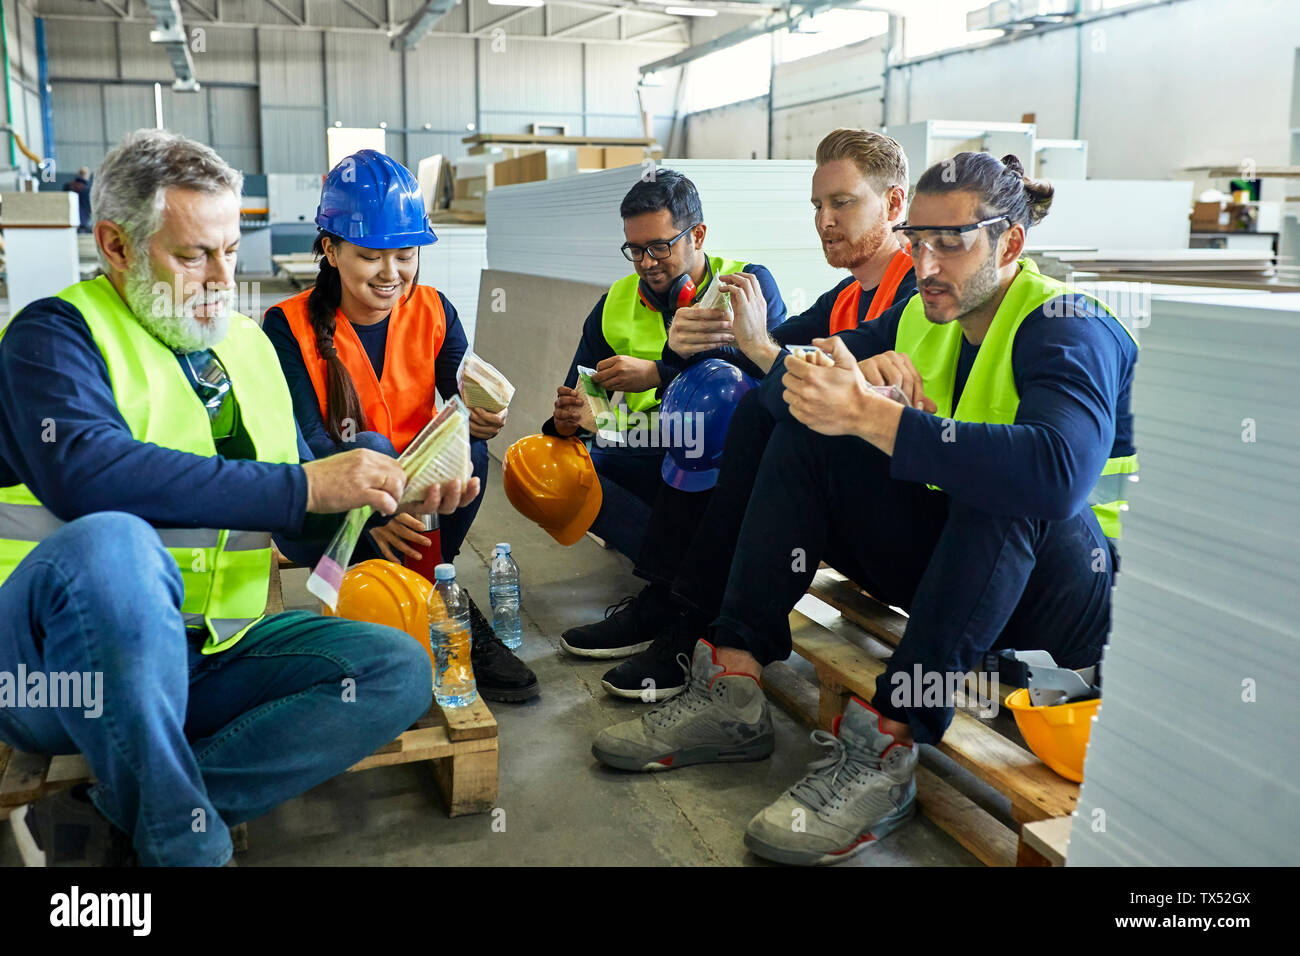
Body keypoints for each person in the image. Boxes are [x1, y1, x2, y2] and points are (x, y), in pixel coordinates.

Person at [590, 151, 1138, 866]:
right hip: (959, 575)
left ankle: (889, 741)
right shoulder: (922, 311)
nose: (928, 263)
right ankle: (731, 675)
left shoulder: (1067, 324)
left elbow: (1057, 476)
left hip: (1060, 611)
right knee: (793, 418)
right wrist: (754, 356)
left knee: (1004, 488)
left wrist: (879, 421)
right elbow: (804, 366)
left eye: (953, 242)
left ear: (1009, 243)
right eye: (918, 241)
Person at [0, 129, 479, 866]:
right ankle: (185, 847)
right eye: (192, 256)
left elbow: (300, 525)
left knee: (395, 669)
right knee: (111, 543)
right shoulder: (52, 338)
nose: (221, 277)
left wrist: (392, 496)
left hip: (210, 658)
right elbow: (84, 474)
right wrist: (306, 484)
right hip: (54, 681)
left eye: (230, 249)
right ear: (116, 246)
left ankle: (127, 820)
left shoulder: (245, 348)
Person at [562, 129, 917, 701]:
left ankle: (691, 623)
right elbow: (766, 364)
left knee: (735, 408)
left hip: (906, 523)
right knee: (725, 403)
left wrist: (717, 359)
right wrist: (676, 359)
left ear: (895, 205)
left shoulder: (919, 298)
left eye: (842, 202)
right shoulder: (845, 297)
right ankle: (675, 606)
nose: (824, 220)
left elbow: (775, 368)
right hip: (824, 495)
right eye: (817, 206)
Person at [261, 149, 537, 704]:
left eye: (404, 254)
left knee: (471, 449)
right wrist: (367, 520)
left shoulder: (432, 309)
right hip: (324, 510)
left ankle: (433, 594)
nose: (392, 275)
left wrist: (485, 416)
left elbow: (462, 393)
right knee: (369, 445)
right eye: (369, 256)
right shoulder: (285, 327)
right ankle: (434, 612)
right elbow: (309, 443)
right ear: (330, 250)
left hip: (410, 507)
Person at [544, 168, 787, 559]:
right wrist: (567, 419)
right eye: (635, 250)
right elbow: (580, 392)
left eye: (659, 247)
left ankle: (675, 574)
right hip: (646, 439)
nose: (646, 263)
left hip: (728, 450)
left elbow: (770, 377)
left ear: (698, 235)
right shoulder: (612, 305)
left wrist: (658, 373)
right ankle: (672, 569)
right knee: (557, 472)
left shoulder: (747, 286)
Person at [63, 166, 92, 232]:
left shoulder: (68, 186)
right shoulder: (87, 189)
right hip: (82, 221)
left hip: (68, 220)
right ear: (87, 175)